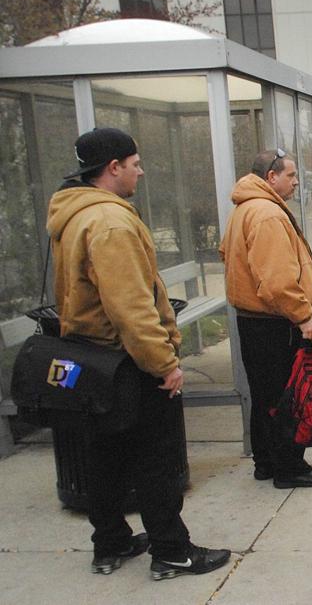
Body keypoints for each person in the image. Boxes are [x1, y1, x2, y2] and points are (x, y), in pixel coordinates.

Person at [48, 128, 230, 579]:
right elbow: (130, 306)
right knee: (156, 459)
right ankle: (171, 551)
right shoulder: (110, 222)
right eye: (135, 164)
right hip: (126, 360)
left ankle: (110, 543)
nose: (140, 172)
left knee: (105, 455)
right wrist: (163, 364)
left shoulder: (73, 212)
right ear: (113, 168)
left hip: (91, 361)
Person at [220, 150, 312, 488]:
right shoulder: (267, 213)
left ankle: (266, 462)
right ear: (271, 177)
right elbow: (277, 280)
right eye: (291, 175)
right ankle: (289, 467)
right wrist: (303, 316)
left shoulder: (244, 209)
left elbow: (226, 253)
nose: (296, 182)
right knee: (286, 395)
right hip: (275, 322)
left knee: (264, 394)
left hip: (254, 321)